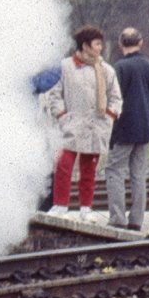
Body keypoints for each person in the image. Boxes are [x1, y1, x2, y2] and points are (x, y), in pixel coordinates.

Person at [45, 25, 121, 222]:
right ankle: (60, 205)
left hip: (96, 127)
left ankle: (86, 208)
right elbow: (54, 94)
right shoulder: (65, 67)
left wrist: (110, 116)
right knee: (63, 166)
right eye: (96, 44)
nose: (100, 48)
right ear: (85, 46)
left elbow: (115, 97)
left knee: (89, 170)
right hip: (71, 125)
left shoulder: (106, 70)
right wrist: (62, 116)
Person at [104, 27, 149, 232]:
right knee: (138, 174)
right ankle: (136, 219)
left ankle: (117, 218)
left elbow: (111, 98)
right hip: (144, 128)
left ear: (121, 44)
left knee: (114, 170)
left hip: (122, 128)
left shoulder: (118, 68)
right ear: (141, 43)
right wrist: (146, 111)